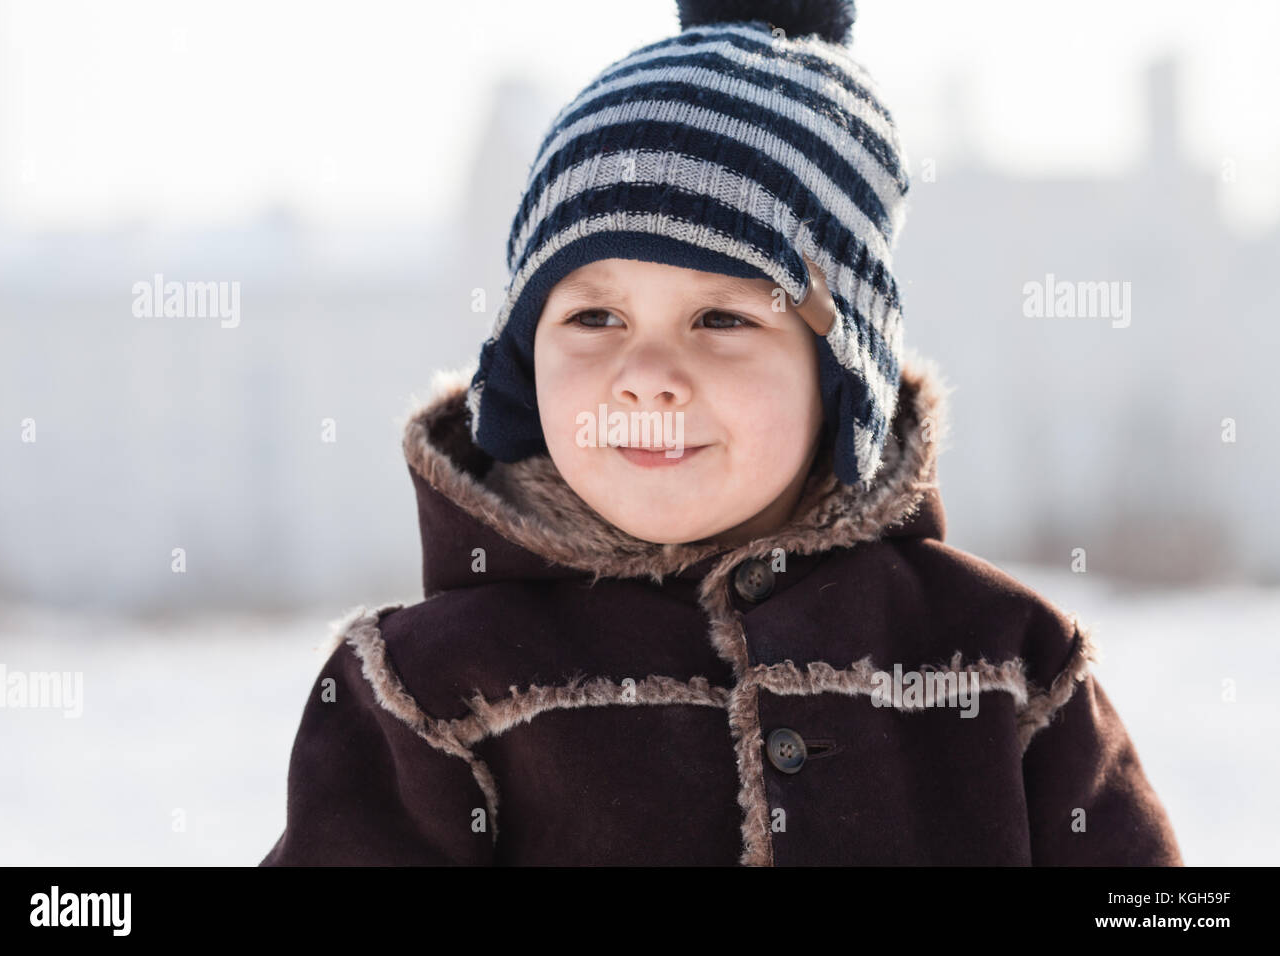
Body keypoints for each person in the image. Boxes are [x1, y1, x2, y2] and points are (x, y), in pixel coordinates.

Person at [260, 0, 1183, 866]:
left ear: (839, 375)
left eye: (722, 320)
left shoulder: (1003, 661)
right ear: (521, 363)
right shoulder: (430, 689)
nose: (648, 373)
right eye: (593, 318)